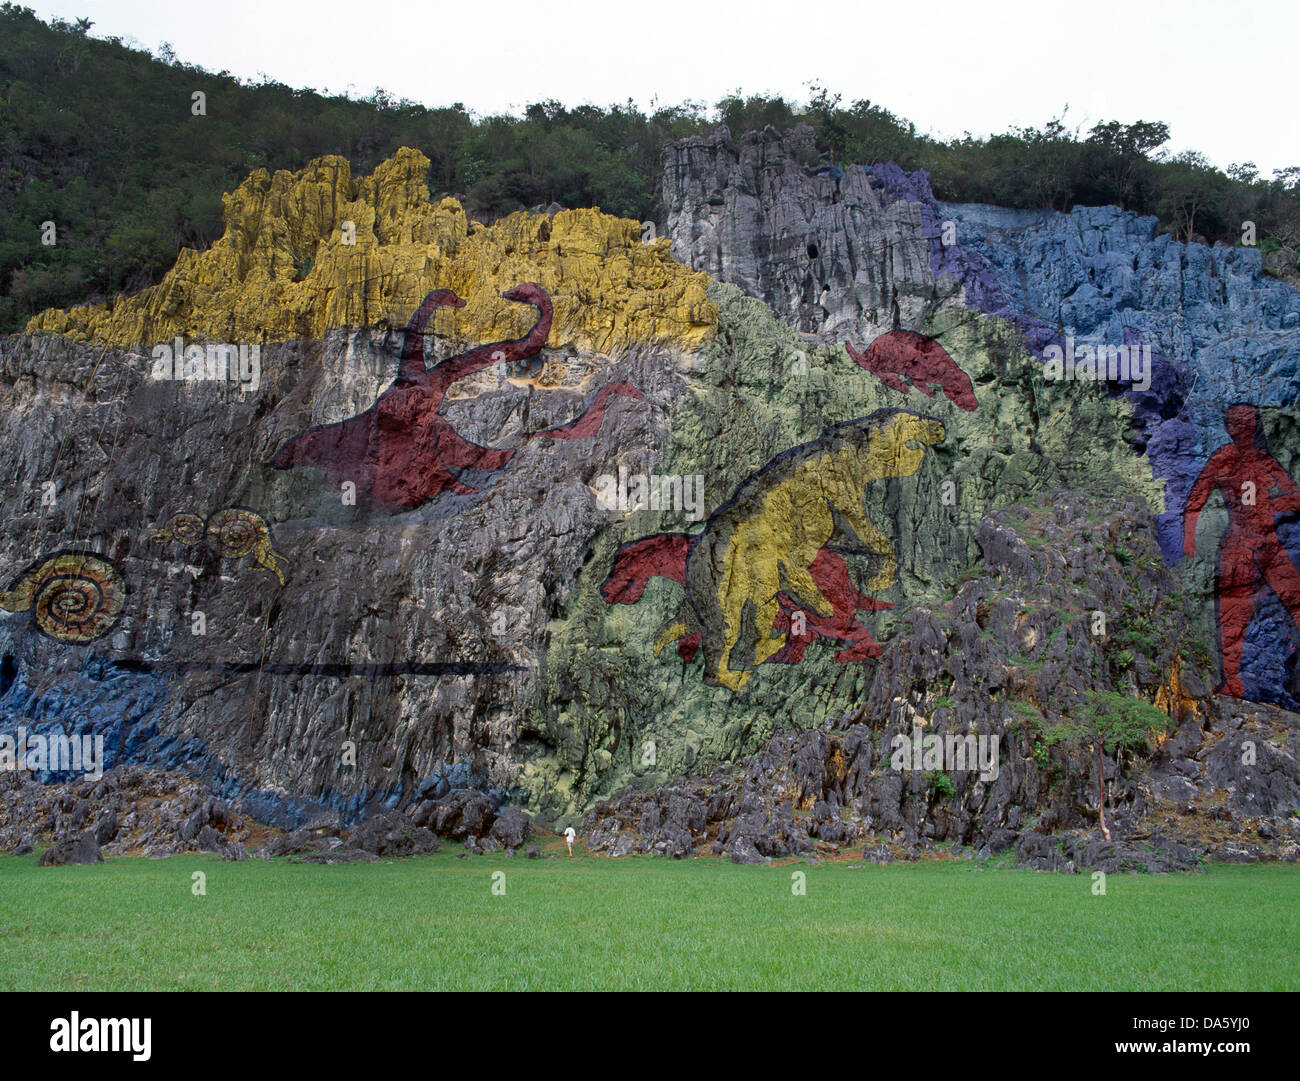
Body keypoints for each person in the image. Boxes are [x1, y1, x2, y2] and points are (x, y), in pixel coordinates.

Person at [1183, 404, 1300, 697]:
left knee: (1295, 597)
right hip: (1238, 543)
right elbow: (1196, 499)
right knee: (1233, 610)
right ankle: (1232, 680)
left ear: (1255, 426)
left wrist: (1270, 507)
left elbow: (1294, 497)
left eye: (1249, 421)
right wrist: (1189, 539)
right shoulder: (1222, 459)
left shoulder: (1265, 461)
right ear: (1230, 427)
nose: (1244, 426)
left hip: (1269, 542)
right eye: (1237, 422)